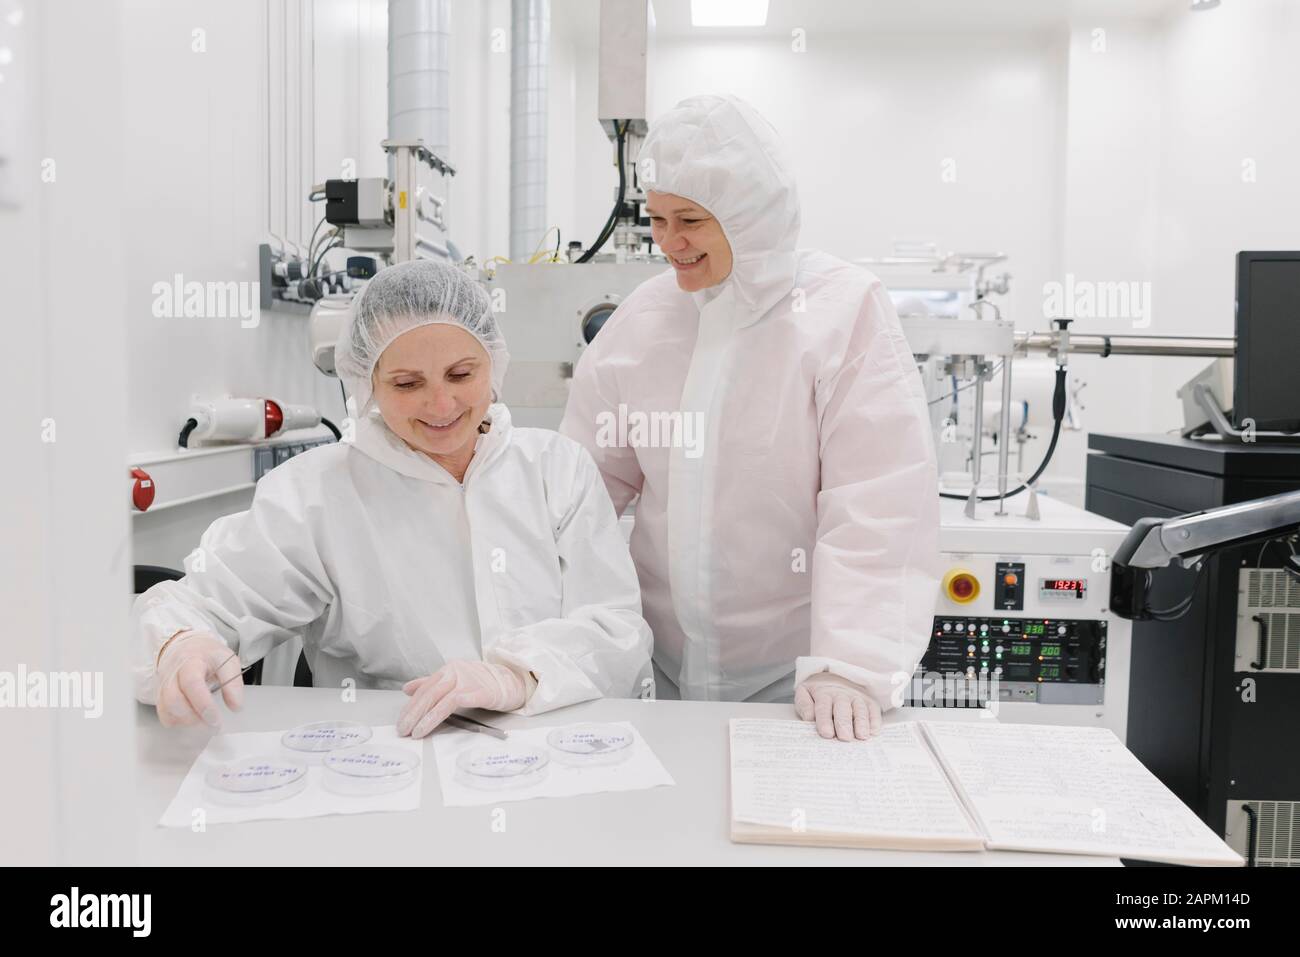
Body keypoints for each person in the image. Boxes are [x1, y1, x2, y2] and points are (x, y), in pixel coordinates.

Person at [132, 259, 652, 737]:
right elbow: (199, 604)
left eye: (461, 374)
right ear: (366, 385)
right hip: (386, 758)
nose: (441, 404)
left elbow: (616, 630)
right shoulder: (318, 492)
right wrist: (178, 645)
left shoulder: (556, 470)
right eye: (407, 383)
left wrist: (520, 676)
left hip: (550, 747)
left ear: (493, 364)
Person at [561, 94, 941, 741]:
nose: (668, 242)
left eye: (690, 219)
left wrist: (852, 665)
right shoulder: (644, 322)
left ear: (750, 216)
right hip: (658, 670)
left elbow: (878, 504)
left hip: (803, 683)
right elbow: (580, 493)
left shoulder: (840, 311)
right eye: (656, 218)